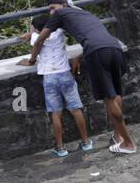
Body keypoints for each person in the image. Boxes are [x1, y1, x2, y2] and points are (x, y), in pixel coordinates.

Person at [27, 0, 136, 155]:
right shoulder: (85, 13)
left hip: (96, 53)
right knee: (116, 93)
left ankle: (127, 143)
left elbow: (40, 40)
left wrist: (32, 59)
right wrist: (80, 56)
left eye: (52, 8)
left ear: (63, 5)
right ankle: (118, 136)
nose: (51, 13)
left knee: (109, 98)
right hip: (114, 47)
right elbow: (92, 35)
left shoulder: (60, 14)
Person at [18, 13, 92, 158]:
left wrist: (31, 32)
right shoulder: (59, 33)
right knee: (76, 109)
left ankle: (60, 148)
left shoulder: (36, 37)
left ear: (36, 29)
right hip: (65, 74)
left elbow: (36, 37)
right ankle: (86, 142)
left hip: (49, 78)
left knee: (55, 112)